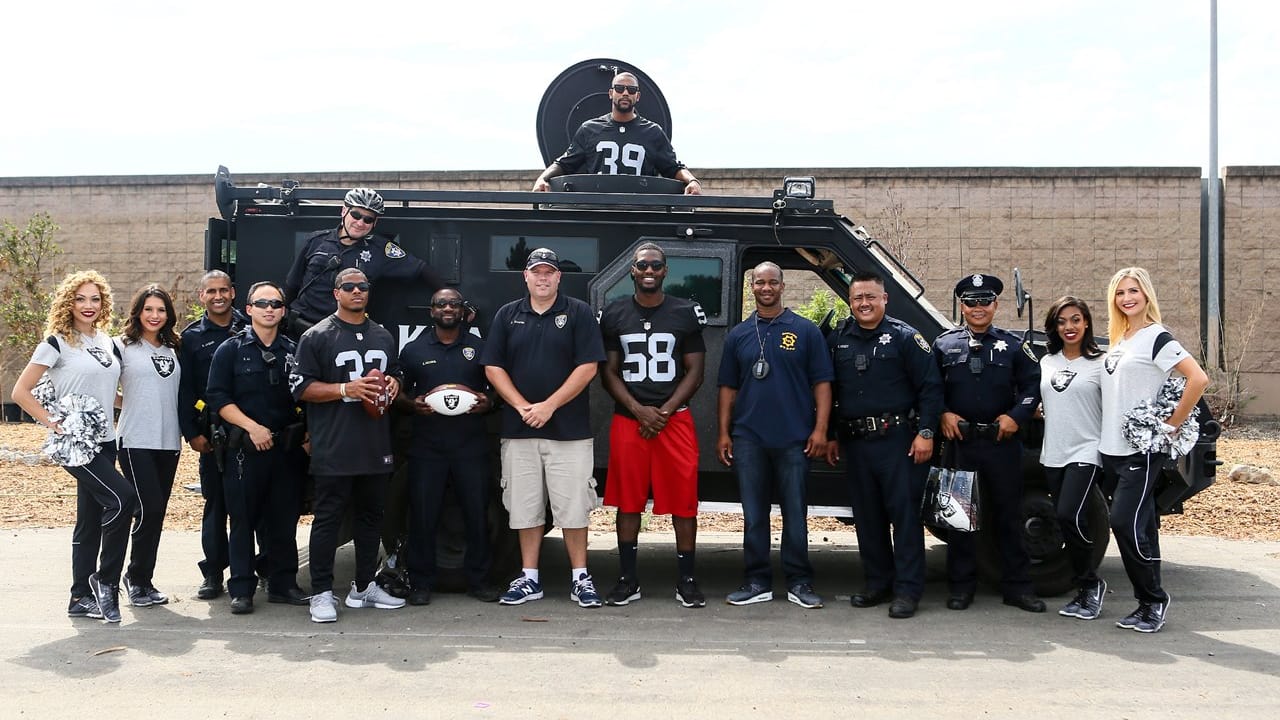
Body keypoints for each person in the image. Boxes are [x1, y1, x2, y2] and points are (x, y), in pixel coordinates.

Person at [480, 248, 607, 608]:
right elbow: (492, 367)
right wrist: (522, 406)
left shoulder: (578, 313)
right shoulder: (508, 315)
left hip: (569, 432)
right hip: (519, 431)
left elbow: (588, 367)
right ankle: (529, 578)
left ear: (558, 278)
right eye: (536, 272)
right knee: (525, 508)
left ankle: (580, 578)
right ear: (526, 276)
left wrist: (549, 406)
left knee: (573, 508)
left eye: (549, 272)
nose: (542, 277)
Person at [11, 270, 134, 623]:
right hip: (74, 443)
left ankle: (79, 596)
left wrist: (138, 406)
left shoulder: (107, 342)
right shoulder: (56, 342)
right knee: (123, 500)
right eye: (81, 299)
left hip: (105, 440)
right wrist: (52, 422)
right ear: (69, 302)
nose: (88, 305)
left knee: (90, 520)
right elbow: (21, 391)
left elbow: (108, 393)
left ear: (103, 303)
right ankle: (104, 580)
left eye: (95, 299)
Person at [825, 271, 942, 619]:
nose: (864, 303)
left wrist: (926, 432)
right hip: (856, 443)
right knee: (867, 517)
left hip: (898, 442)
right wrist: (831, 434)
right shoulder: (838, 340)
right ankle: (878, 583)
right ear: (850, 301)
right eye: (858, 297)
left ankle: (907, 590)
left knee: (903, 518)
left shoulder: (905, 337)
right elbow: (829, 392)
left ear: (884, 298)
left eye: (871, 297)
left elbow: (931, 387)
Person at [293, 268, 406, 622]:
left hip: (374, 442)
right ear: (336, 293)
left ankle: (363, 586)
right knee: (328, 518)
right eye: (349, 286)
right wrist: (346, 389)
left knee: (372, 517)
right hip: (336, 442)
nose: (357, 291)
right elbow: (301, 387)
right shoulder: (317, 335)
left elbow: (397, 372)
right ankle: (322, 593)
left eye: (363, 286)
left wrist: (395, 385)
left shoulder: (383, 334)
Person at [716, 262, 832, 609]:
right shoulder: (738, 334)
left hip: (794, 439)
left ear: (783, 286)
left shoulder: (806, 331)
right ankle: (757, 581)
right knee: (754, 516)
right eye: (759, 282)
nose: (765, 288)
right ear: (750, 286)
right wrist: (724, 433)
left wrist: (821, 429)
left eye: (772, 282)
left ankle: (799, 582)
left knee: (795, 515)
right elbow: (727, 388)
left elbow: (822, 384)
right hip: (749, 439)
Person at [598, 243, 708, 608]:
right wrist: (638, 409)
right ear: (631, 270)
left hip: (673, 420)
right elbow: (608, 372)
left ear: (665, 271)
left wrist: (661, 412)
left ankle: (687, 580)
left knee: (683, 503)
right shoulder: (614, 313)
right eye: (642, 264)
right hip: (629, 420)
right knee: (628, 503)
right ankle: (628, 579)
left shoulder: (683, 312)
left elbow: (696, 370)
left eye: (655, 264)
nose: (648, 269)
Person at [1100, 267, 1208, 633]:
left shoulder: (1156, 337)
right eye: (1120, 293)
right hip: (1112, 448)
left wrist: (1172, 424)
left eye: (1133, 291)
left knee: (1123, 522)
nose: (1127, 298)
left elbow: (1197, 378)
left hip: (1141, 450)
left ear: (1146, 295)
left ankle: (1154, 598)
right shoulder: (1121, 339)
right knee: (1142, 524)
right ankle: (1148, 605)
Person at [932, 273, 1044, 613]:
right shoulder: (944, 345)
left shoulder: (1012, 346)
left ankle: (1018, 587)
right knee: (959, 519)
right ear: (962, 306)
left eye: (985, 301)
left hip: (1001, 444)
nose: (978, 307)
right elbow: (929, 388)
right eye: (971, 302)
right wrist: (943, 414)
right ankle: (961, 587)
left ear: (995, 304)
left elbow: (1033, 386)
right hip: (960, 444)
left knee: (1008, 516)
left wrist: (1016, 416)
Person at [206, 281, 308, 615]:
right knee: (243, 521)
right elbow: (218, 398)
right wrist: (252, 427)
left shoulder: (294, 351)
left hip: (285, 450)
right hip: (244, 451)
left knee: (283, 520)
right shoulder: (230, 351)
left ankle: (283, 584)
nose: (269, 309)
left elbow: (304, 397)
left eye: (276, 304)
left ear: (283, 311)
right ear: (248, 309)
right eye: (261, 303)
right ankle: (242, 589)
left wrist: (306, 436)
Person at [398, 287, 500, 605]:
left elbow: (498, 390)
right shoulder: (413, 351)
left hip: (471, 446)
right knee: (423, 516)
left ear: (462, 311)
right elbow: (398, 395)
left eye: (453, 304)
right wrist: (412, 404)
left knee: (477, 515)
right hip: (427, 448)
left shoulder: (480, 348)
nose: (447, 308)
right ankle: (421, 583)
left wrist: (490, 403)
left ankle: (479, 581)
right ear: (431, 311)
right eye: (441, 304)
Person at [284, 187, 443, 336]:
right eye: (356, 215)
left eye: (368, 219)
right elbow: (292, 284)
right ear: (344, 211)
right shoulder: (315, 241)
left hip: (343, 335)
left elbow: (421, 269)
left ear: (375, 223)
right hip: (302, 330)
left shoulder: (380, 249)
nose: (360, 223)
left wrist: (451, 298)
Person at [177, 270, 248, 600]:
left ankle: (251, 569)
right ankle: (214, 574)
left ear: (234, 293)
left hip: (249, 432)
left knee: (251, 507)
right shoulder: (191, 338)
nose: (218, 296)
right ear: (201, 296)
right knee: (216, 507)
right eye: (211, 291)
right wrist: (192, 432)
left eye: (224, 290)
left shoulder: (250, 327)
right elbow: (185, 390)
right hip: (213, 435)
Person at [1038, 296, 1108, 621]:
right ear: (1055, 326)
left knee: (1068, 514)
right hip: (1053, 451)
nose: (1070, 327)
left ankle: (1091, 584)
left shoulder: (1100, 363)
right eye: (1063, 321)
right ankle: (1083, 589)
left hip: (1086, 449)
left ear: (1087, 323)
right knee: (1067, 519)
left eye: (1076, 319)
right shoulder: (1047, 362)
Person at [114, 284, 183, 609]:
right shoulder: (122, 347)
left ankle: (144, 579)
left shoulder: (174, 347)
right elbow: (102, 386)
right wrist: (125, 403)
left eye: (161, 310)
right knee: (148, 508)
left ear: (168, 314)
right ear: (138, 312)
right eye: (148, 309)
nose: (154, 315)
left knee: (156, 513)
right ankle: (136, 578)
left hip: (168, 442)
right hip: (135, 441)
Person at [532, 72, 702, 195]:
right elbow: (565, 163)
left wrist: (692, 181)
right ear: (611, 93)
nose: (625, 93)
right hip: (598, 209)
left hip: (640, 211)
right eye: (620, 88)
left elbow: (672, 167)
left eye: (631, 89)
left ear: (638, 96)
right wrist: (542, 178)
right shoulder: (589, 129)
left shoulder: (653, 132)